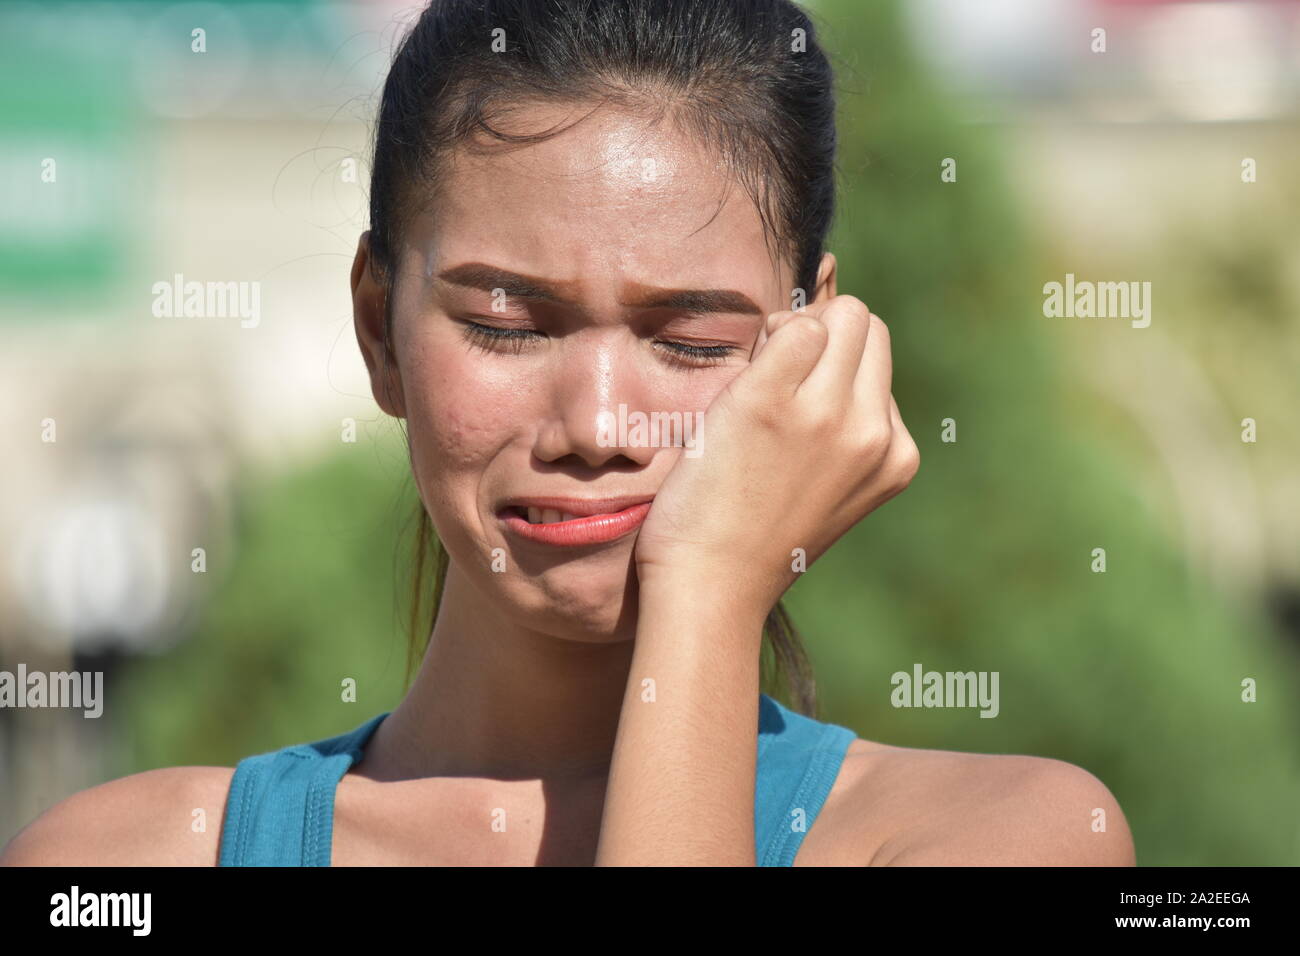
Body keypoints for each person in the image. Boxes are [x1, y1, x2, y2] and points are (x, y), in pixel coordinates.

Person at [1, 0, 1134, 867]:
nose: (599, 424)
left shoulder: (999, 833)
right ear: (377, 327)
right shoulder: (128, 860)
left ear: (815, 348)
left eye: (689, 340)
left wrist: (707, 587)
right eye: (506, 322)